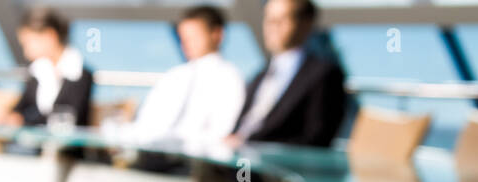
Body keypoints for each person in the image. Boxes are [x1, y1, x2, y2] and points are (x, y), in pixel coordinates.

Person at [227, 0, 346, 148]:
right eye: (269, 19)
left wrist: (249, 144)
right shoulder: (259, 76)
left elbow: (316, 138)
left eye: (282, 19)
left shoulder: (324, 74)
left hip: (273, 166)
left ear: (306, 24)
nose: (272, 26)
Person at [132, 6, 246, 147]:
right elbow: (144, 123)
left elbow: (220, 134)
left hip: (195, 162)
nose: (186, 43)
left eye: (194, 37)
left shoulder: (229, 79)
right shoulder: (173, 76)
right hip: (153, 152)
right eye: (184, 38)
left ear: (217, 34)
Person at [5, 8, 93, 127]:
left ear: (49, 36)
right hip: (35, 143)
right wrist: (12, 116)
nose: (26, 53)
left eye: (28, 43)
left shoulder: (81, 76)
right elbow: (21, 107)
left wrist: (24, 121)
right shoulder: (37, 71)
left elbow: (69, 118)